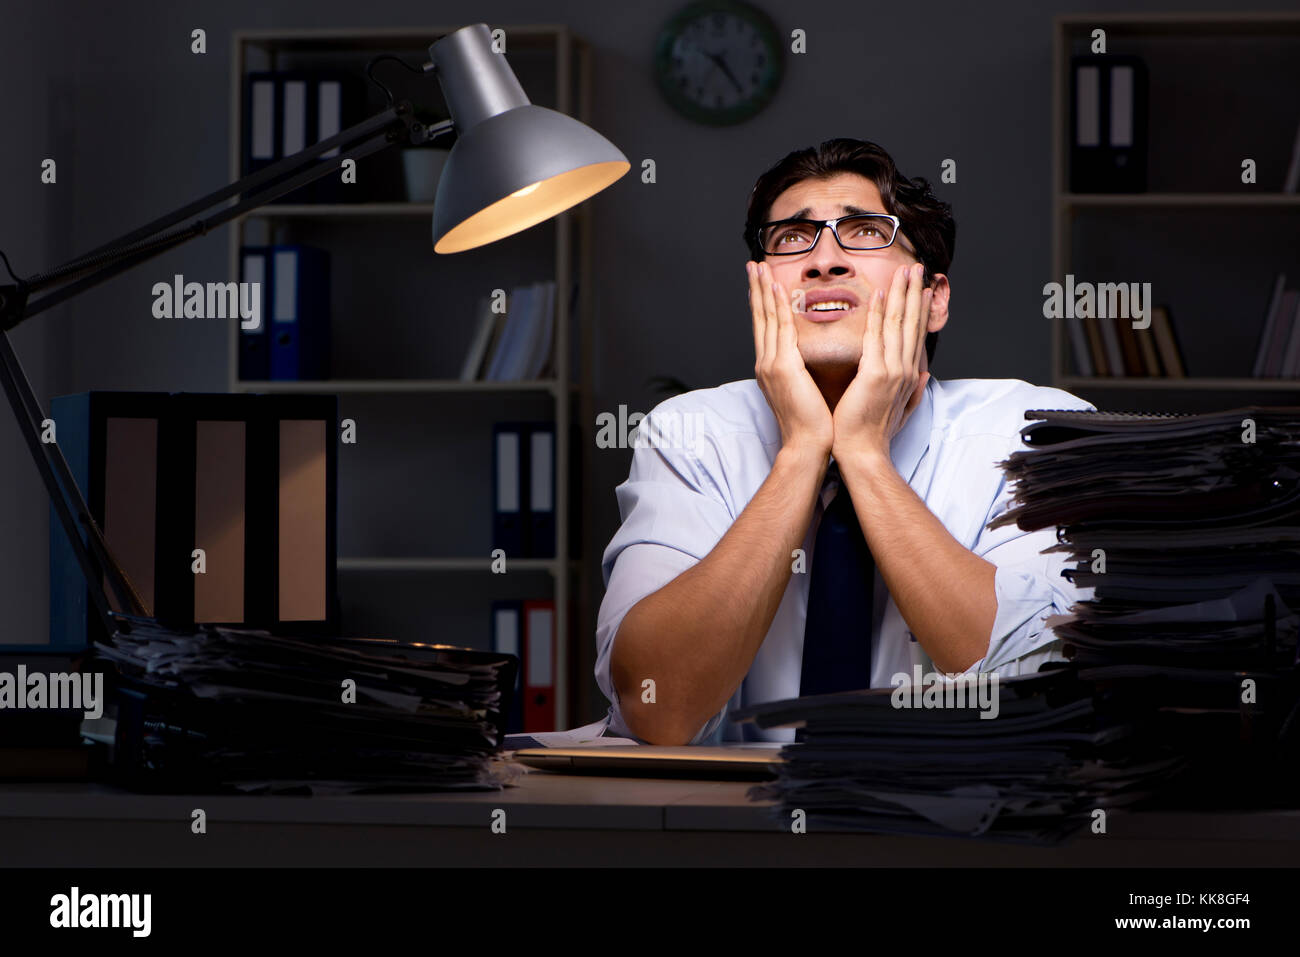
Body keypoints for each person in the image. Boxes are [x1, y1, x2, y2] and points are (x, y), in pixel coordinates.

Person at [594, 138, 1093, 745]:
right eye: (790, 239)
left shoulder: (1037, 429)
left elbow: (1037, 680)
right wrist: (802, 449)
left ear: (933, 300)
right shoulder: (689, 432)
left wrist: (862, 454)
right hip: (732, 824)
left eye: (864, 232)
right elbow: (658, 707)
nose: (824, 259)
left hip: (957, 830)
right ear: (759, 288)